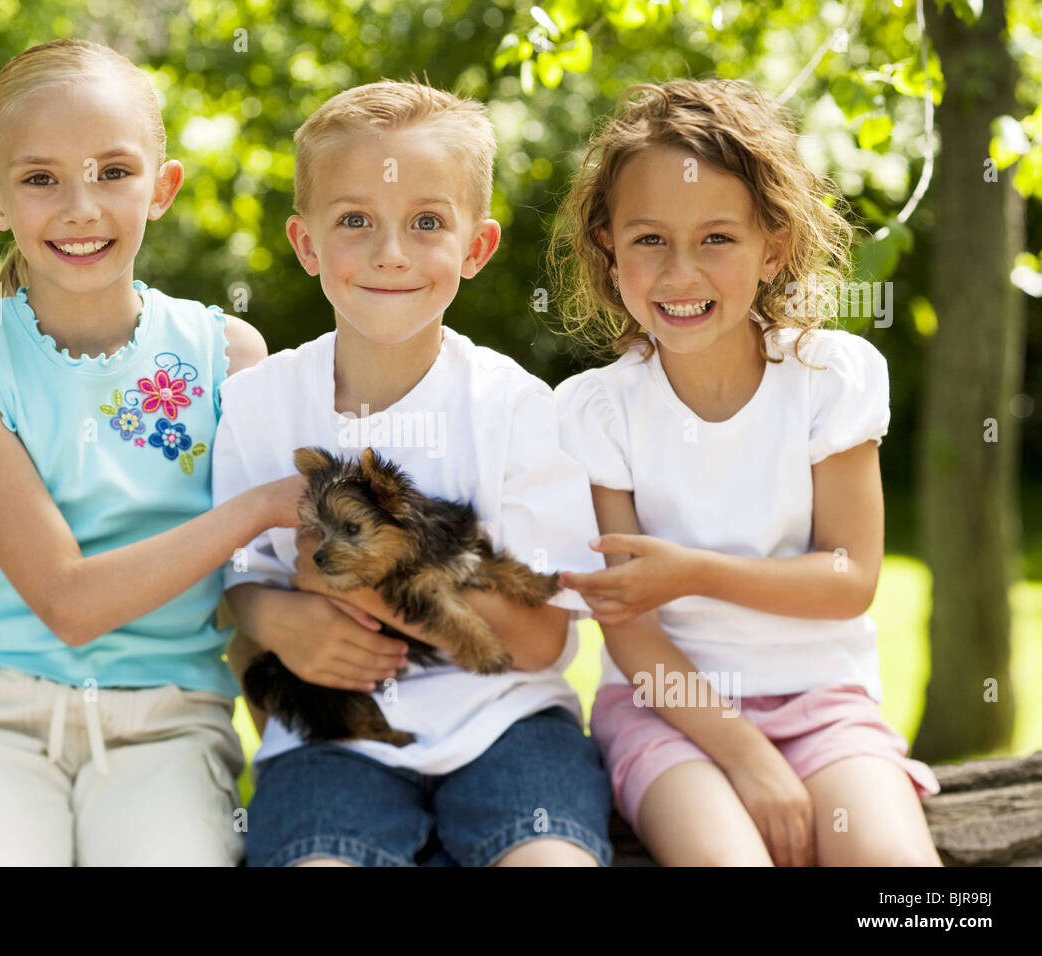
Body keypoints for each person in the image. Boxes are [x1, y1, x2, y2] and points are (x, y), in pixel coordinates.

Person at [0, 38, 302, 866]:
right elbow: (68, 601)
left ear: (162, 189)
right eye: (41, 177)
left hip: (169, 718)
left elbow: (257, 589)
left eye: (114, 172)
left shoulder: (228, 356)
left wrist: (310, 768)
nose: (81, 206)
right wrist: (254, 508)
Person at [212, 80, 613, 867]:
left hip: (508, 726)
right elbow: (230, 589)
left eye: (426, 222)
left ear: (476, 248)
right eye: (355, 220)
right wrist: (274, 620)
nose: (390, 251)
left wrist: (359, 584)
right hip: (333, 740)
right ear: (305, 243)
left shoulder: (516, 409)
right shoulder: (256, 406)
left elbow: (535, 638)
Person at [549, 78, 942, 866]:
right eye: (649, 239)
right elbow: (632, 632)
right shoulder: (594, 409)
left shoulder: (831, 377)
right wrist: (749, 757)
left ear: (774, 247)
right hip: (670, 711)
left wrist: (690, 571)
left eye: (717, 239)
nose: (680, 273)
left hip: (822, 703)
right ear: (607, 247)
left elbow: (849, 578)